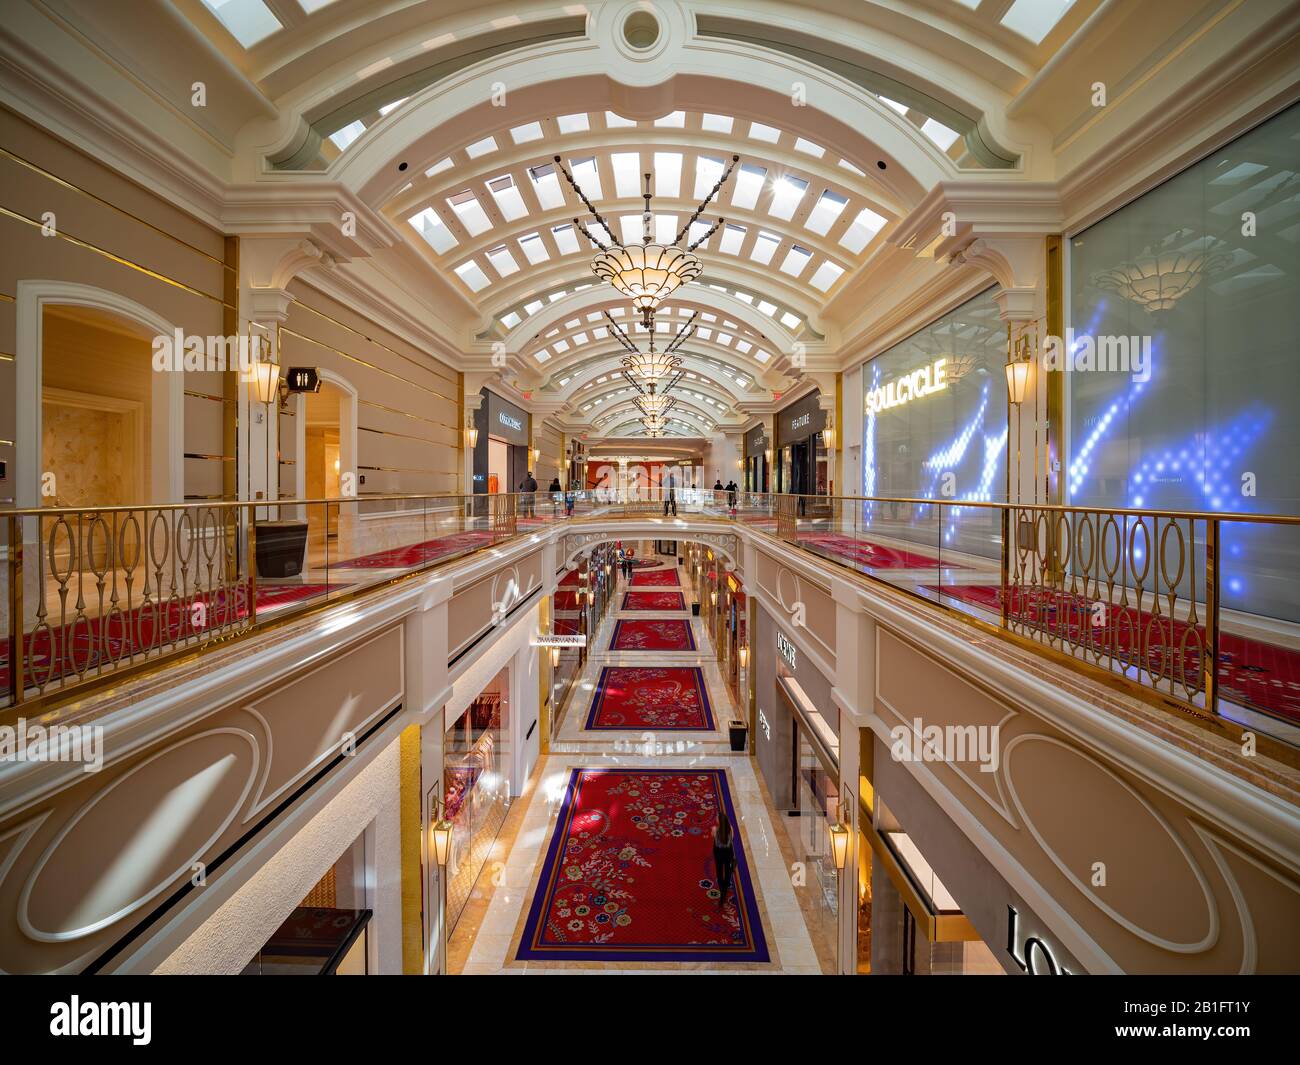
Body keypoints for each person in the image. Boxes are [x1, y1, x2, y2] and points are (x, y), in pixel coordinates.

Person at [712, 813, 736, 907]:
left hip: (718, 853)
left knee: (719, 872)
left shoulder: (715, 829)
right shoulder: (730, 828)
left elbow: (714, 838)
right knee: (727, 871)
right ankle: (725, 890)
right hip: (728, 853)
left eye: (717, 818)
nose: (716, 819)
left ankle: (722, 890)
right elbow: (732, 839)